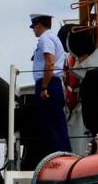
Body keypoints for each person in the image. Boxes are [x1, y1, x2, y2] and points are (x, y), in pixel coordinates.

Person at [30, 14, 71, 156]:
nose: (33, 30)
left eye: (34, 27)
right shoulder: (54, 38)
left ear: (38, 25)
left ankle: (57, 157)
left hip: (48, 84)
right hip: (54, 84)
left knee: (50, 125)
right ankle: (63, 154)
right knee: (57, 124)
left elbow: (50, 62)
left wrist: (44, 87)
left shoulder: (45, 39)